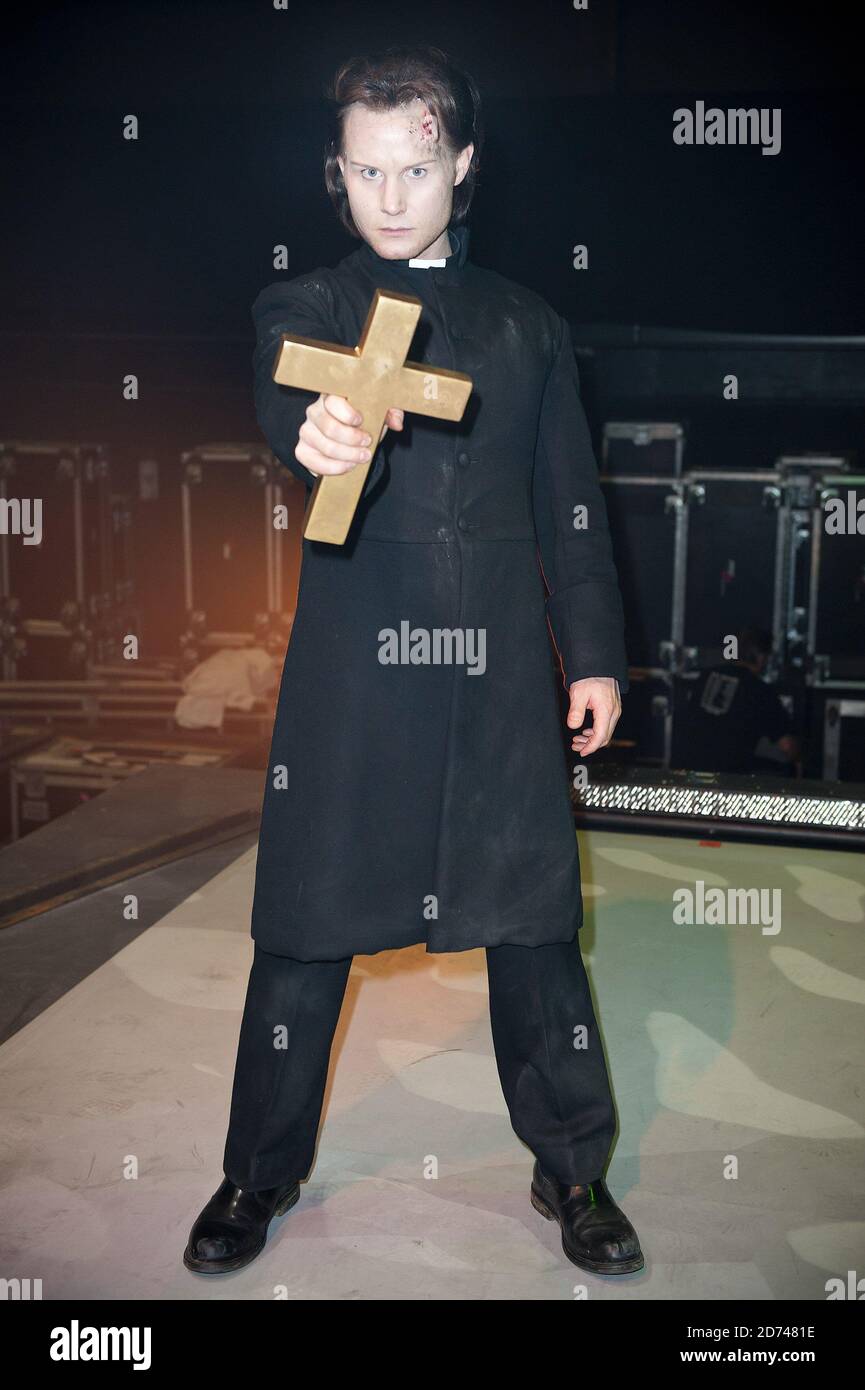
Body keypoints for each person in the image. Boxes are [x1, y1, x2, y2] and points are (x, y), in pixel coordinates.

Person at [183, 44, 643, 1280]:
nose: (393, 198)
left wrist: (591, 657)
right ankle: (254, 1172)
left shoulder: (531, 327)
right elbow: (298, 405)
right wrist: (325, 429)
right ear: (337, 174)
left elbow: (572, 509)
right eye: (368, 171)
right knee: (301, 936)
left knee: (537, 933)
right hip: (354, 687)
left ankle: (574, 1168)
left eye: (418, 169)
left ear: (463, 167)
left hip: (498, 685)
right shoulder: (312, 308)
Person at [673, 626, 798, 775]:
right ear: (762, 657)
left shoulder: (707, 676)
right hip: (729, 781)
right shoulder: (760, 690)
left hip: (688, 773)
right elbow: (788, 747)